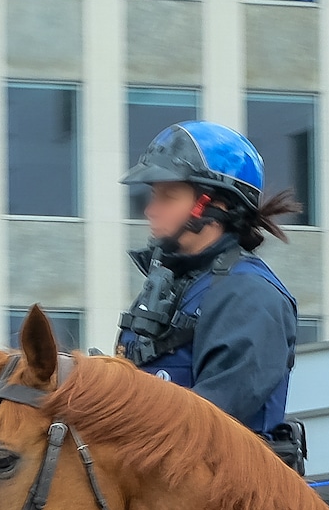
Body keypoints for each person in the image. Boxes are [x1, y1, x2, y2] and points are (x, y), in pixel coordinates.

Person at [116, 121, 306, 464]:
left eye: (166, 196)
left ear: (212, 206)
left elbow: (208, 421)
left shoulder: (250, 295)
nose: (150, 209)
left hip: (225, 501)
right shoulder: (174, 286)